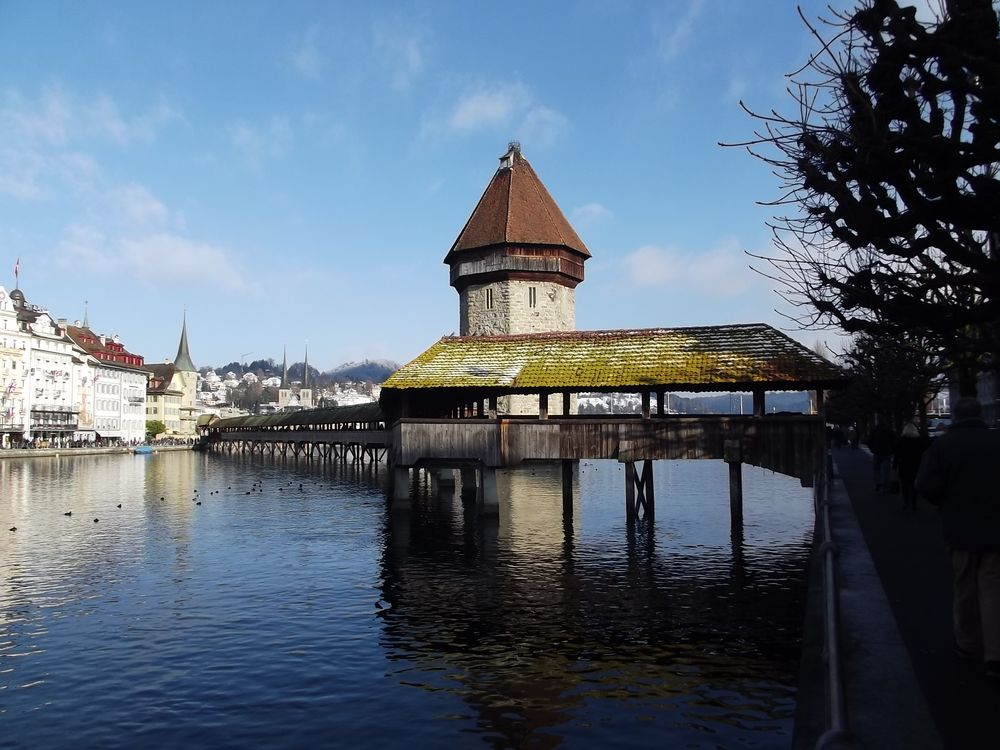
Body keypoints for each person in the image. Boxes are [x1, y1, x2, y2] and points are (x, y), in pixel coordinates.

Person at [915, 397, 1000, 682]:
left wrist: (945, 503)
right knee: (992, 588)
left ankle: (966, 644)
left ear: (956, 417)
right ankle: (995, 654)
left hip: (959, 527)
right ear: (980, 415)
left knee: (964, 586)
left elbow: (924, 484)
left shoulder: (943, 446)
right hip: (995, 529)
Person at [894, 423, 929, 511]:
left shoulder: (901, 440)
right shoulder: (919, 440)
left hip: (904, 465)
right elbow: (924, 453)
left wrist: (894, 466)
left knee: (905, 485)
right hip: (916, 465)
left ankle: (906, 503)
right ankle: (914, 503)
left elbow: (897, 454)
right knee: (914, 485)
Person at [867, 419, 896, 493]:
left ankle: (878, 483)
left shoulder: (874, 431)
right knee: (886, 470)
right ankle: (885, 484)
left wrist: (872, 450)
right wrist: (892, 451)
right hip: (887, 452)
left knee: (876, 469)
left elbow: (869, 441)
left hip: (877, 452)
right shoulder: (889, 431)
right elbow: (894, 442)